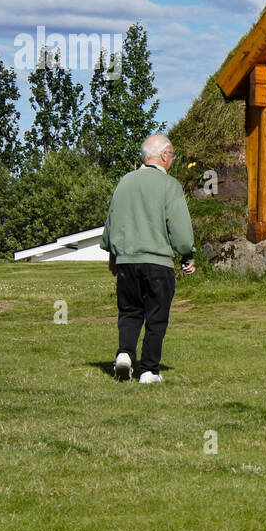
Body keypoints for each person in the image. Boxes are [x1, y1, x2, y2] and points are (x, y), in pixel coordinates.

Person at [101, 134, 195, 383]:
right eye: (172, 155)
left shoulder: (124, 182)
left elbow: (113, 221)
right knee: (156, 316)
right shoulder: (169, 185)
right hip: (157, 262)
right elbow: (181, 229)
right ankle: (149, 370)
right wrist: (187, 254)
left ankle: (124, 356)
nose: (172, 160)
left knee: (129, 312)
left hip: (126, 261)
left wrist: (113, 255)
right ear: (164, 156)